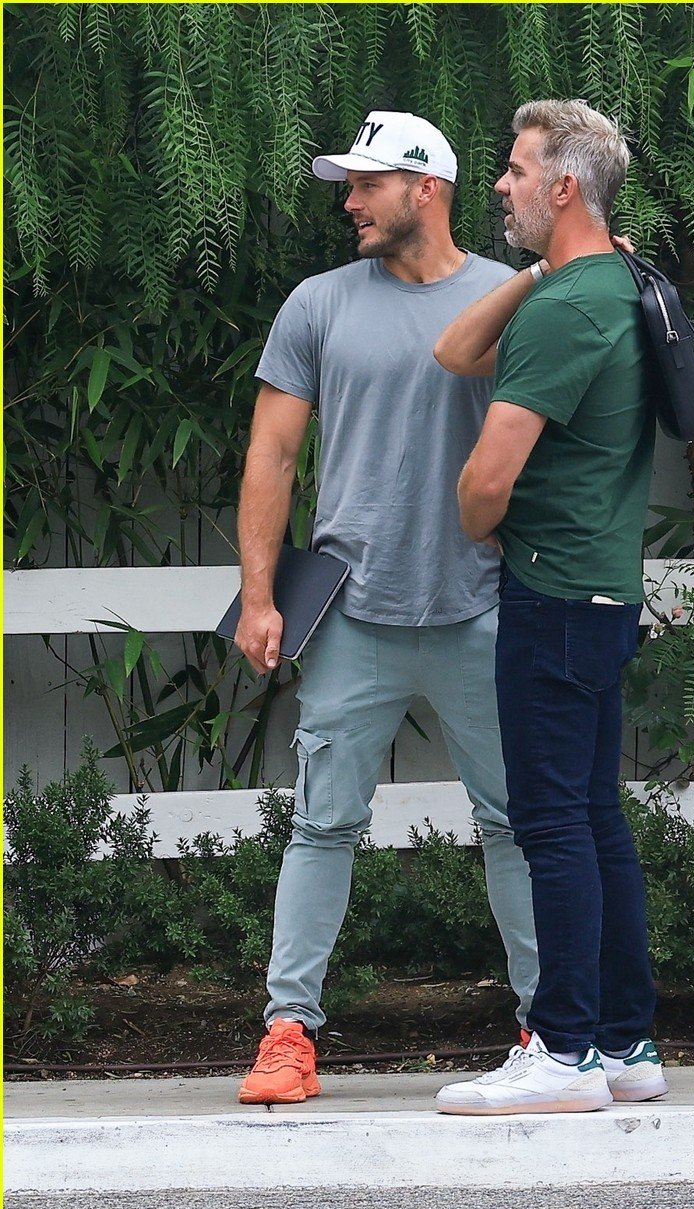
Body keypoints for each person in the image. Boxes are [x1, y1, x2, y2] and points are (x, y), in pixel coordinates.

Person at [234, 111, 541, 1105]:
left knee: (515, 825)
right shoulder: (317, 305)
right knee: (322, 824)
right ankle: (287, 1032)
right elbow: (271, 455)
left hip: (481, 609)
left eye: (366, 183)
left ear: (427, 189)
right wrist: (256, 594)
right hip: (351, 616)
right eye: (348, 184)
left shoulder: (508, 298)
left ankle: (551, 1025)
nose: (349, 201)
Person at [433, 99, 668, 1116]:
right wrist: (540, 266)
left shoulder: (568, 312)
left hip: (552, 591)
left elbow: (485, 485)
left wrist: (476, 517)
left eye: (517, 169)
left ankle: (563, 1049)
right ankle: (622, 1042)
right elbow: (454, 351)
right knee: (591, 818)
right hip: (600, 589)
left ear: (562, 187)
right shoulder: (602, 285)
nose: (499, 185)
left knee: (547, 822)